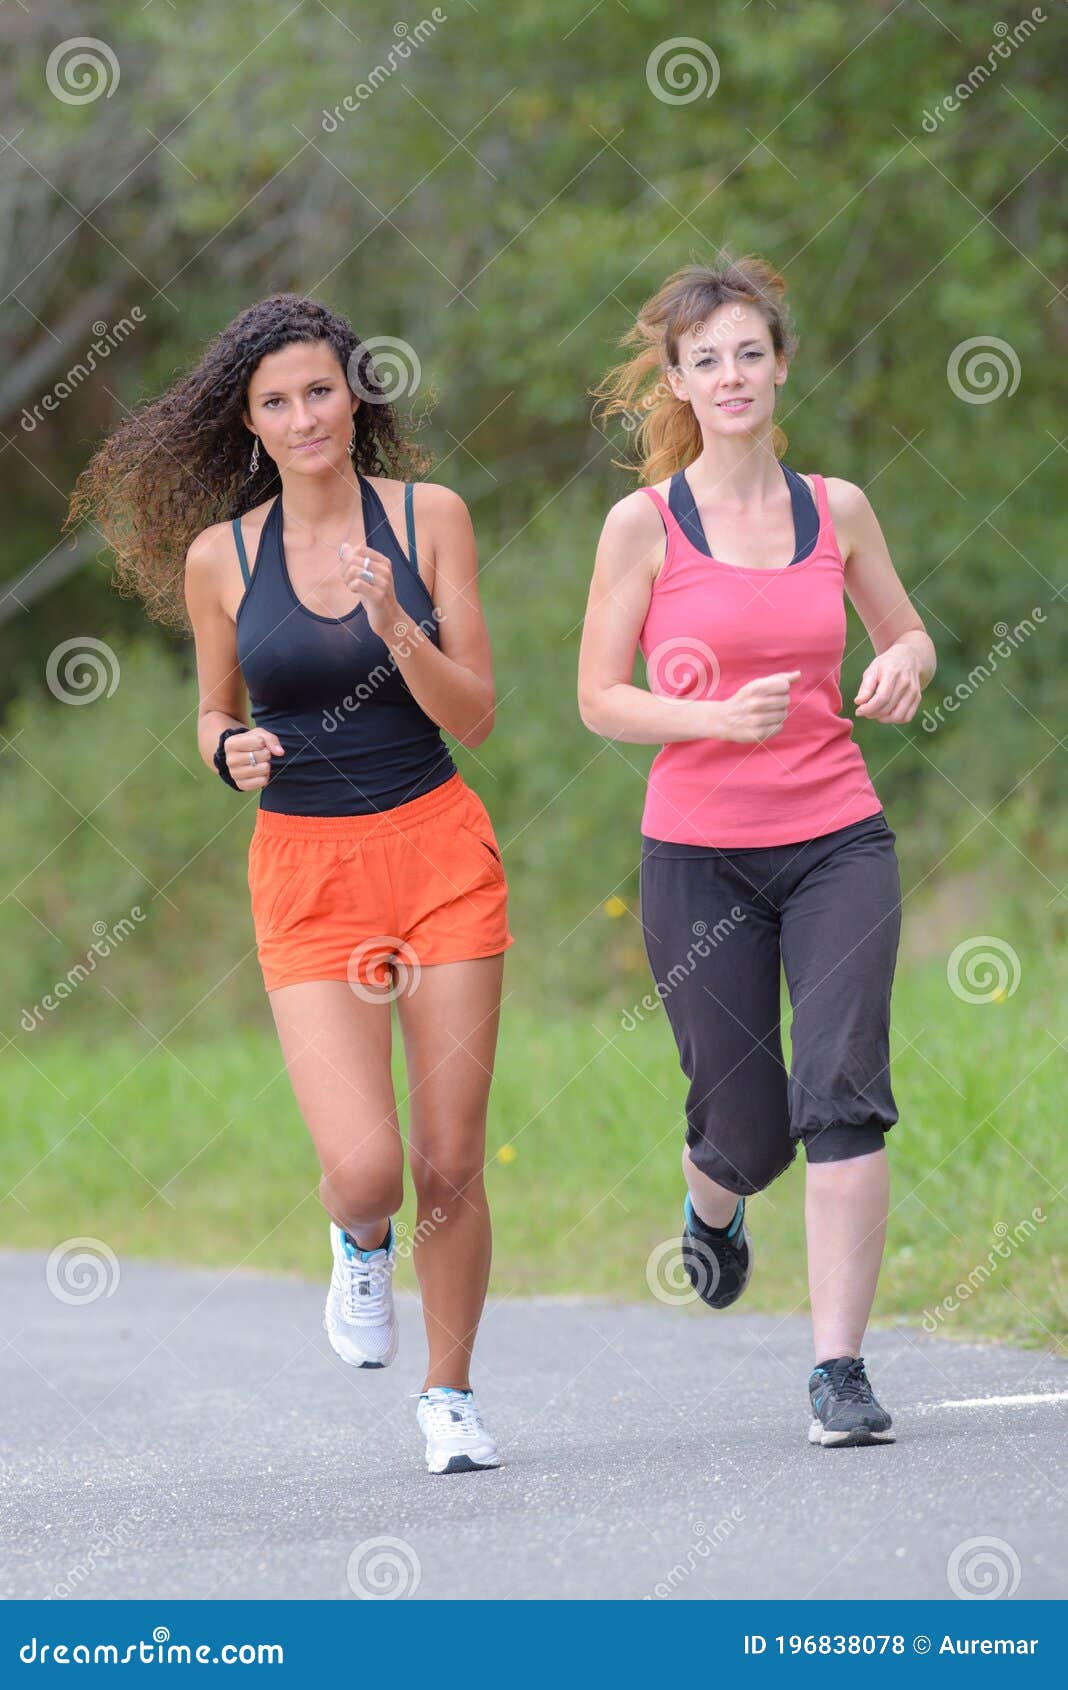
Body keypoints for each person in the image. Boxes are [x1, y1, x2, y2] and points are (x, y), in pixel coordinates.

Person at [67, 292, 513, 1475]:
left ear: (355, 395)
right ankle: (355, 1239)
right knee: (368, 1168)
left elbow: (477, 709)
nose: (305, 414)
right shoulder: (226, 557)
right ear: (249, 423)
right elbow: (213, 711)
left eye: (321, 390)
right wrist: (227, 750)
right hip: (306, 868)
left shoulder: (431, 520)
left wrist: (395, 625)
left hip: (438, 849)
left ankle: (450, 1393)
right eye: (277, 401)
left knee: (451, 1158)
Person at [579, 256, 936, 1448]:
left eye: (749, 352)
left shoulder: (836, 508)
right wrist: (708, 720)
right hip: (700, 857)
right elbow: (597, 697)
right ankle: (713, 1205)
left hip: (838, 837)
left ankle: (839, 1370)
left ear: (780, 364)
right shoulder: (643, 525)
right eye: (705, 359)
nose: (730, 375)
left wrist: (904, 664)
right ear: (678, 381)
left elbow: (908, 630)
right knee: (748, 1128)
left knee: (841, 1097)